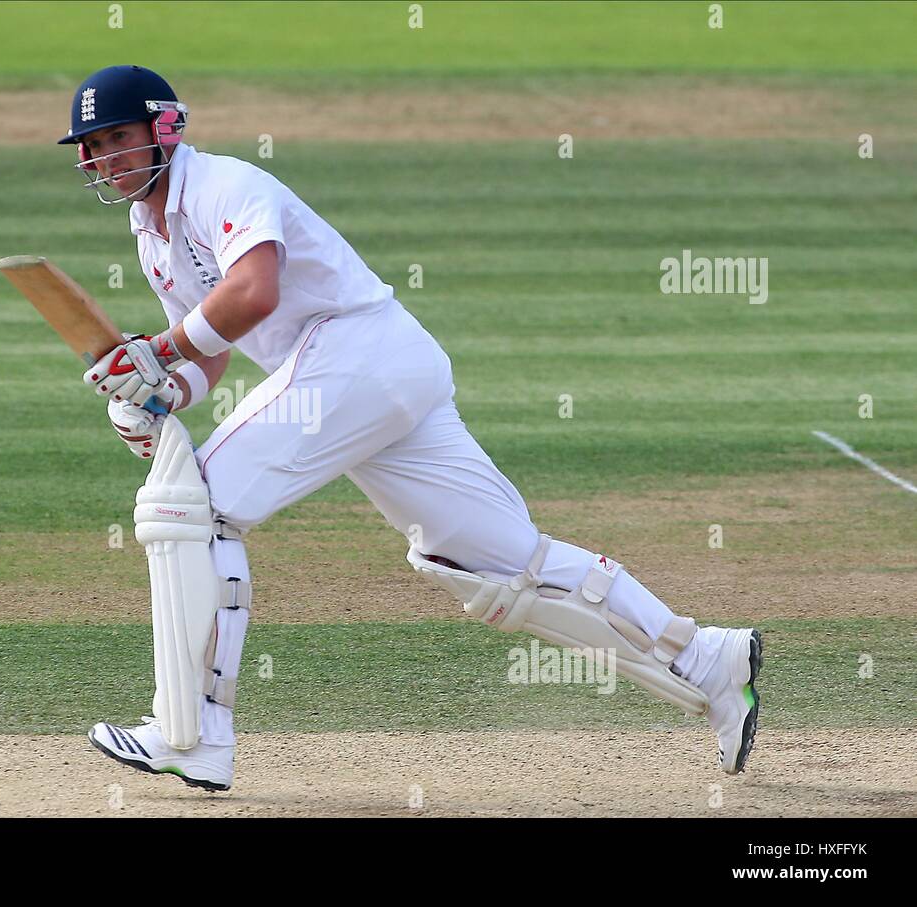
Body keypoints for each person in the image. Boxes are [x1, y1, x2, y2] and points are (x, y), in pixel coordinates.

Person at [58, 65, 762, 793]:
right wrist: (161, 390)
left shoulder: (221, 186)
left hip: (353, 350)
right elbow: (219, 342)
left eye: (118, 137)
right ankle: (709, 659)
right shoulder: (149, 231)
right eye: (94, 145)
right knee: (498, 569)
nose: (107, 157)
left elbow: (254, 292)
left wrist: (161, 350)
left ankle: (192, 734)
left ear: (162, 129)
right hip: (381, 368)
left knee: (192, 507)